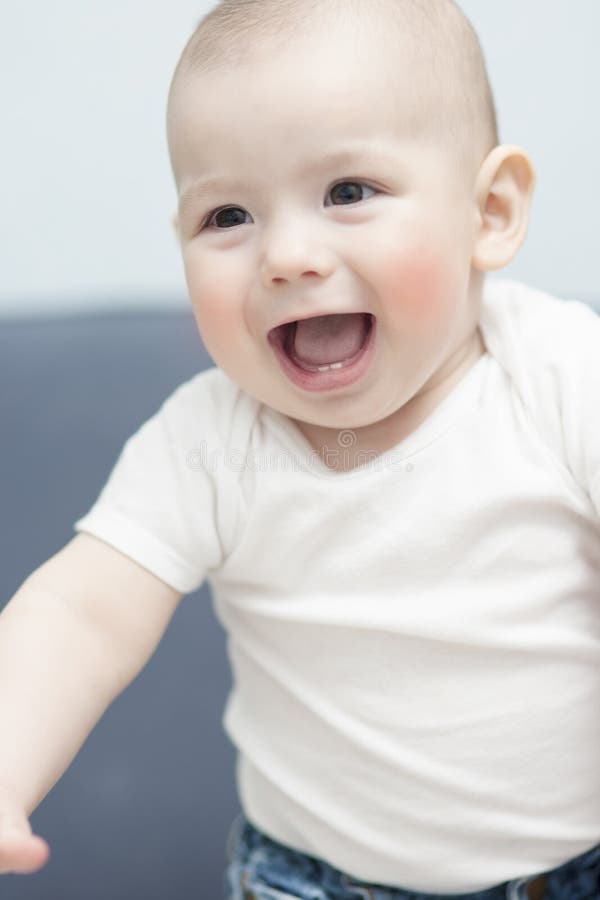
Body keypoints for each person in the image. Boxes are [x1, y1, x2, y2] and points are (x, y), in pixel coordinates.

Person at [1, 1, 599, 897]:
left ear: (490, 211)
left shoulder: (558, 377)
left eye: (348, 193)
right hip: (308, 878)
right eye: (228, 215)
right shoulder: (210, 440)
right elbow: (82, 615)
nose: (286, 254)